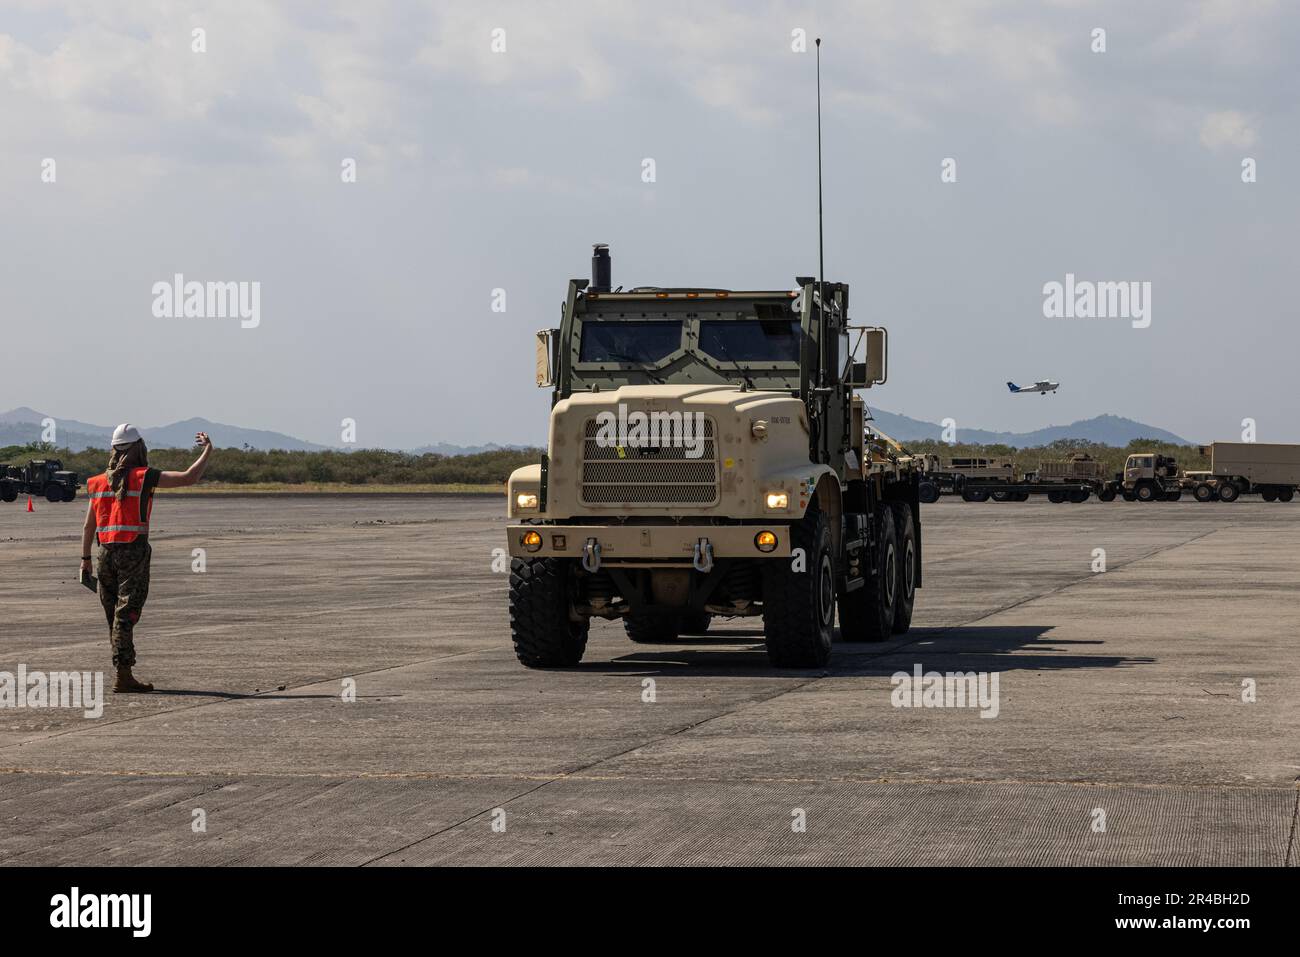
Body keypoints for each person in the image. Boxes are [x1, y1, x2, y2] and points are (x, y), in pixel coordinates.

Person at [79, 425, 213, 693]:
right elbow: (189, 477)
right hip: (133, 552)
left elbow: (88, 527)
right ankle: (123, 674)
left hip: (104, 553)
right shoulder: (145, 477)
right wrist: (208, 450)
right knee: (126, 613)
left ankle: (122, 670)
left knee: (113, 614)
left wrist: (85, 560)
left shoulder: (96, 482)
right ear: (138, 448)